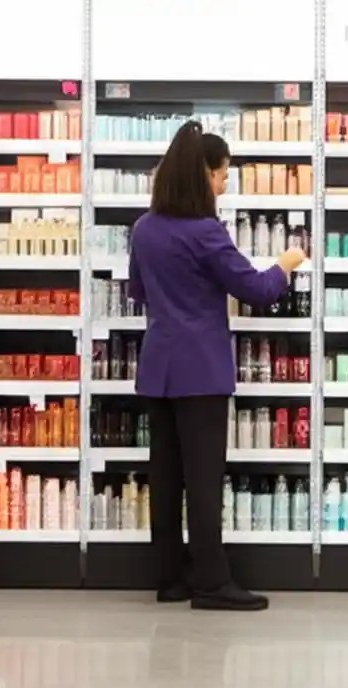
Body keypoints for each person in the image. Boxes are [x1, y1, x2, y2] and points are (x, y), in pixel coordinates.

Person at [127, 121, 306, 611]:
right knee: (204, 481)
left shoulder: (144, 228)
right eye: (224, 174)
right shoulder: (206, 232)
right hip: (201, 369)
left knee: (165, 477)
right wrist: (286, 263)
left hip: (158, 365)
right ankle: (211, 582)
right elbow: (258, 290)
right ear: (204, 174)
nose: (225, 184)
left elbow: (138, 291)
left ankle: (170, 578)